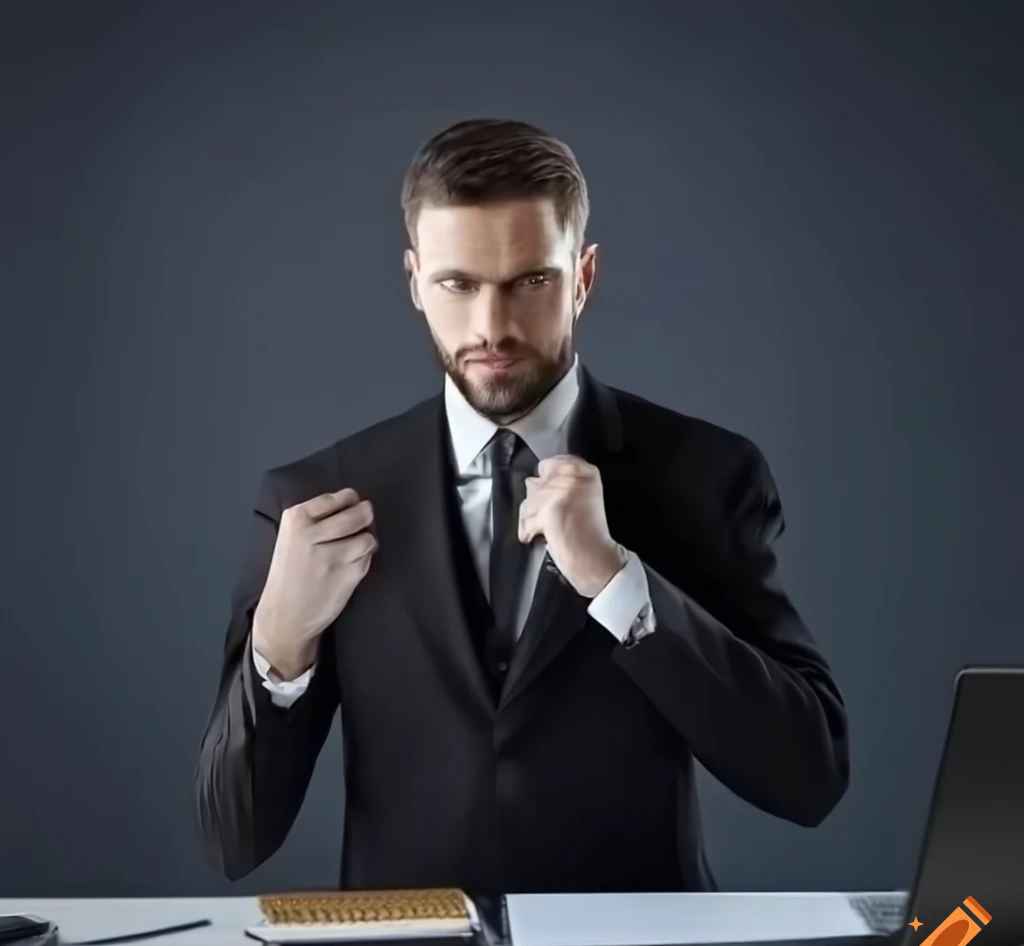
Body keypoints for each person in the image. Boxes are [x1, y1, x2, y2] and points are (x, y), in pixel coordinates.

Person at [195, 118, 849, 895]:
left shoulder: (707, 475)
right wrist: (279, 645)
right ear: (413, 281)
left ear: (584, 276)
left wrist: (620, 586)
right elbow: (232, 839)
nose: (492, 328)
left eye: (530, 282)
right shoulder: (315, 502)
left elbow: (810, 777)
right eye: (457, 284)